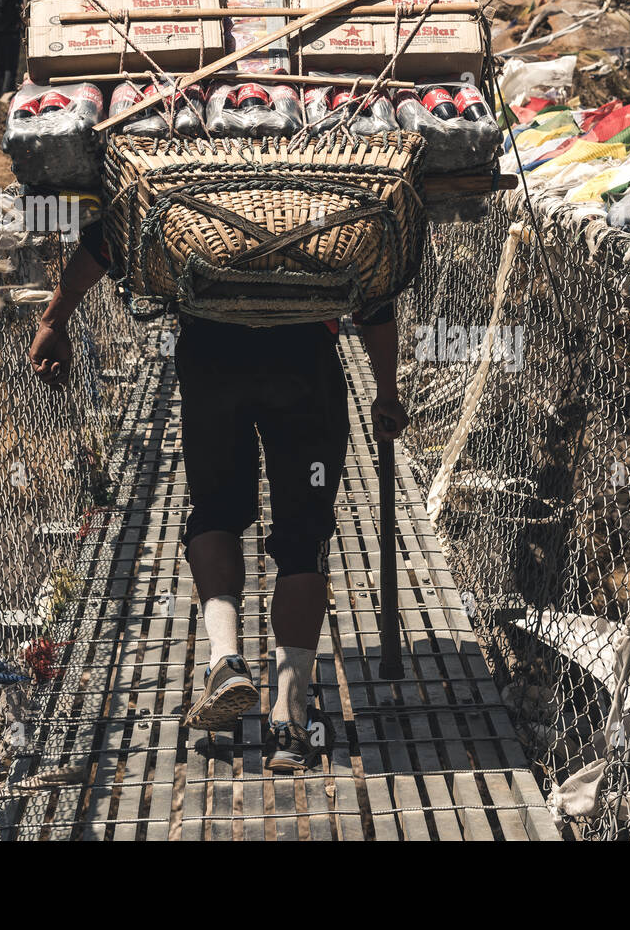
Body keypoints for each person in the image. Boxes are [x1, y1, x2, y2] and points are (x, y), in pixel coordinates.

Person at [28, 218, 409, 772]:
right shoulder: (328, 190)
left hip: (210, 359)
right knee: (303, 539)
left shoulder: (187, 175)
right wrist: (386, 391)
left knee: (213, 510)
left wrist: (53, 318)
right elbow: (375, 294)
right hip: (305, 365)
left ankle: (226, 660)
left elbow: (110, 234)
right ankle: (290, 717)